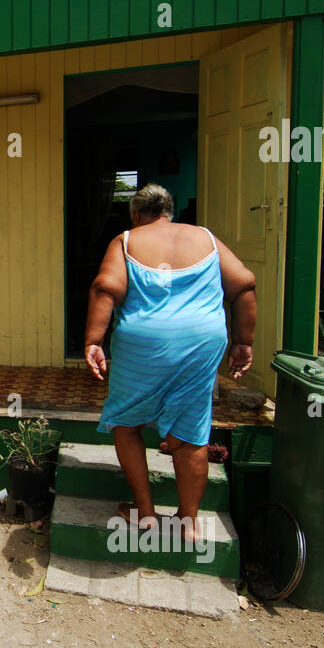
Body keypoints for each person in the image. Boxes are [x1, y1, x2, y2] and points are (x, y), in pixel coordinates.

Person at [83, 183, 256, 538]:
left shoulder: (126, 241)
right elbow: (243, 285)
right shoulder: (205, 239)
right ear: (170, 211)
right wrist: (243, 341)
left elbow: (105, 288)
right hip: (202, 341)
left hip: (143, 344)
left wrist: (93, 340)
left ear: (135, 212)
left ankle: (145, 513)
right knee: (192, 434)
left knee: (128, 424)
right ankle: (188, 523)